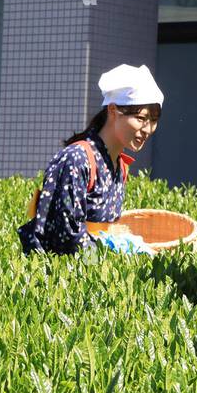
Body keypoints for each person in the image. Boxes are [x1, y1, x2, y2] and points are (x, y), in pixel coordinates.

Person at [18, 63, 163, 256]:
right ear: (113, 110)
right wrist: (108, 264)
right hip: (66, 278)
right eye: (140, 118)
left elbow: (103, 230)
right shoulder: (77, 159)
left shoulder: (119, 165)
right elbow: (68, 235)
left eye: (153, 120)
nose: (147, 129)